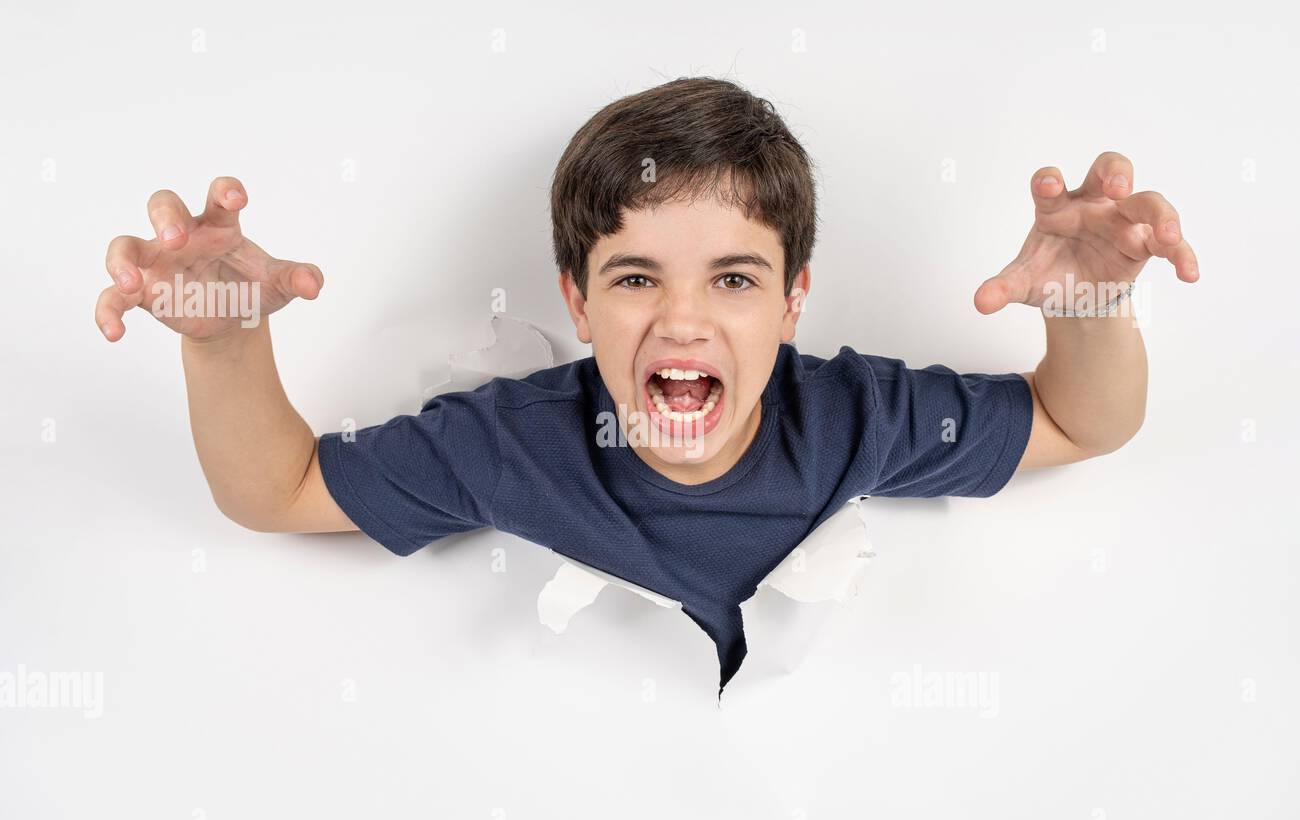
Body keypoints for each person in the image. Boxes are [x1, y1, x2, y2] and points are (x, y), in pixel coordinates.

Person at [92, 77, 1199, 696]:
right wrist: (222, 342)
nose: (683, 318)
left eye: (733, 277)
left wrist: (1089, 305)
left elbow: (1078, 418)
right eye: (634, 278)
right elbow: (275, 490)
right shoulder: (510, 445)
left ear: (793, 299)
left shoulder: (856, 414)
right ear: (577, 304)